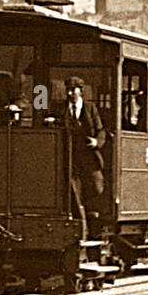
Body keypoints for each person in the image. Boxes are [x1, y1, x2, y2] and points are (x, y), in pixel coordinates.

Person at [63, 75, 107, 215]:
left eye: (73, 90)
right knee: (72, 187)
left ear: (80, 91)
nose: (69, 93)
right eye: (68, 90)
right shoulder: (61, 108)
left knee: (97, 187)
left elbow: (101, 130)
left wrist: (96, 142)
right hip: (69, 155)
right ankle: (79, 215)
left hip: (89, 155)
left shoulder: (90, 108)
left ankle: (90, 213)